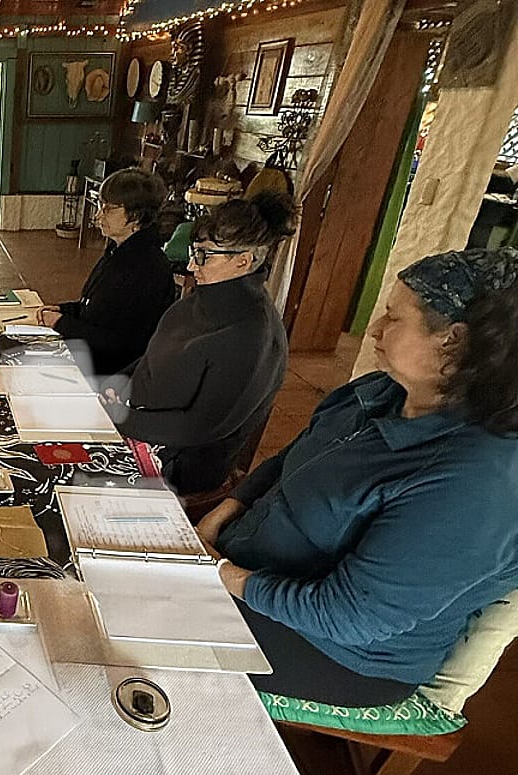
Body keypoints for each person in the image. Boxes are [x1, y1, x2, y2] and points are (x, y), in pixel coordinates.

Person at [199, 249, 518, 707]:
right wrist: (225, 511)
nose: (373, 330)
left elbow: (350, 617)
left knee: (131, 637)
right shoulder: (382, 391)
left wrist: (223, 575)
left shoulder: (477, 481)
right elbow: (297, 455)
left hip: (336, 650)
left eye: (393, 318)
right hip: (245, 567)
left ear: (453, 341)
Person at [101, 192, 296, 494]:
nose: (192, 265)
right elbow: (153, 356)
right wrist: (118, 382)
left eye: (204, 255)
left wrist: (121, 418)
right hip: (138, 423)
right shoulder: (200, 301)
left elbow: (199, 427)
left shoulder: (252, 334)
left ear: (243, 261)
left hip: (180, 464)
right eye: (194, 252)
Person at [37, 168, 175, 376]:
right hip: (89, 357)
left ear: (136, 216)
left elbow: (122, 343)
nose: (98, 215)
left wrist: (61, 323)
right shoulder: (118, 250)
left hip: (110, 376)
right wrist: (63, 309)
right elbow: (97, 309)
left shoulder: (148, 268)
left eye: (108, 209)